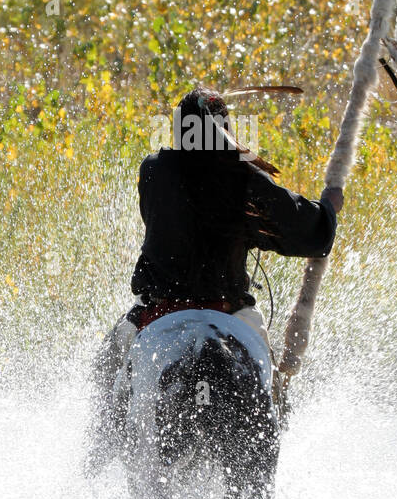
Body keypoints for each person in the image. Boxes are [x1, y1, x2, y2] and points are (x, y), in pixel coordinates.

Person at [86, 85, 343, 470]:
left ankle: (94, 468)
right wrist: (328, 211)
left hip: (156, 315)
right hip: (230, 314)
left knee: (104, 372)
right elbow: (311, 236)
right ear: (224, 131)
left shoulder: (153, 171)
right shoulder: (243, 179)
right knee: (271, 395)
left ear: (179, 130)